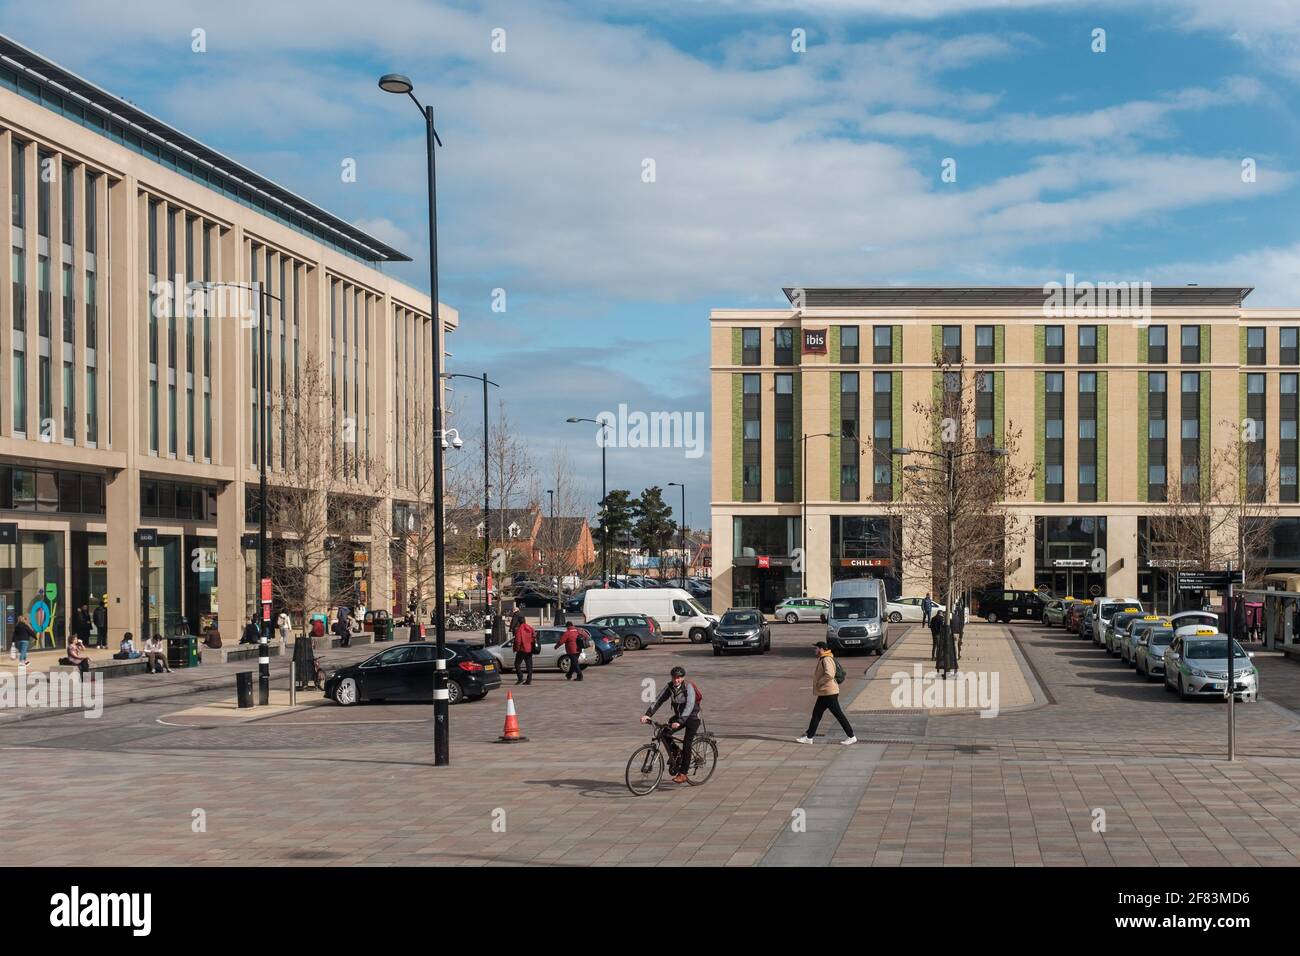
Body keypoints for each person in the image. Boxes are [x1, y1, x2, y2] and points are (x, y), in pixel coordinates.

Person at [641, 665, 704, 784]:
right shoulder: (670, 687)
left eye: (679, 678)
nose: (676, 680)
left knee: (687, 744)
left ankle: (683, 774)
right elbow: (659, 700)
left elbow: (690, 706)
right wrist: (648, 714)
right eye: (674, 677)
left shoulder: (688, 687)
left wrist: (679, 722)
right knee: (664, 733)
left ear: (683, 677)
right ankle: (677, 753)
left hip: (692, 717)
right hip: (679, 717)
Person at [796, 642, 856, 745]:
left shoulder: (826, 659)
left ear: (822, 649)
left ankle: (851, 736)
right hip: (825, 692)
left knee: (838, 714)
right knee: (817, 714)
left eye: (816, 648)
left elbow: (829, 674)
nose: (815, 650)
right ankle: (809, 737)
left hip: (829, 692)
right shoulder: (824, 658)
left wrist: (820, 682)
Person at [513, 619, 536, 685]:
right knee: (529, 665)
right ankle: (529, 680)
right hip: (529, 648)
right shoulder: (530, 627)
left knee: (517, 664)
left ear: (519, 622)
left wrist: (517, 648)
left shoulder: (519, 630)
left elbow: (518, 641)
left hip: (522, 649)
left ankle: (520, 678)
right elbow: (534, 635)